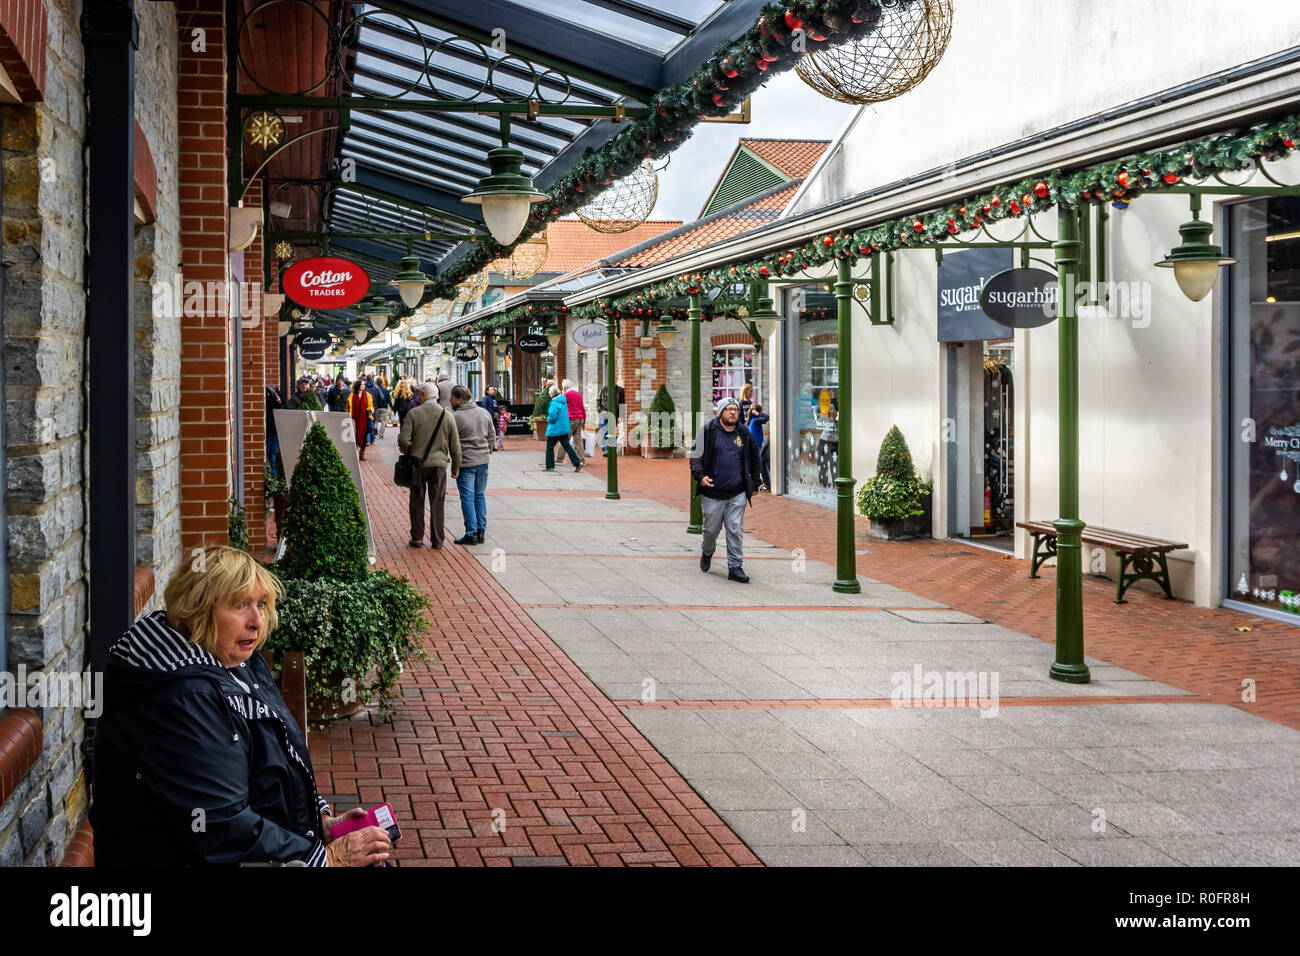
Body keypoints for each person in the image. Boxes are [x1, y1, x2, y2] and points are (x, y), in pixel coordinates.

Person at [91, 546, 392, 866]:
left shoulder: (233, 659)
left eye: (261, 604)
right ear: (198, 609)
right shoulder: (182, 698)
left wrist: (317, 823)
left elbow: (272, 756)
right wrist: (325, 860)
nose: (256, 620)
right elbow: (220, 825)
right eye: (239, 605)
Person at [691, 396, 762, 583]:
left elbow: (755, 458)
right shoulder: (707, 431)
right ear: (720, 412)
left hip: (736, 492)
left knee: (735, 529)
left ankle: (735, 567)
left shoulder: (744, 433)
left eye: (735, 409)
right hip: (713, 492)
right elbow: (696, 456)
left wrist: (756, 482)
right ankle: (707, 552)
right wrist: (700, 476)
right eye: (729, 409)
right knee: (710, 531)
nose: (732, 412)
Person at [399, 382, 461, 548]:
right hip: (439, 465)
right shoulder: (447, 416)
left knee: (417, 501)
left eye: (420, 395)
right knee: (437, 502)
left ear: (424, 396)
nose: (418, 398)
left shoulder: (413, 414)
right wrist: (455, 467)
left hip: (418, 465)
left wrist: (410, 451)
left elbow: (403, 440)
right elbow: (455, 446)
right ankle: (437, 540)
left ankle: (418, 537)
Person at [449, 385, 496, 546]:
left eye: (452, 398)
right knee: (479, 495)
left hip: (466, 462)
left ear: (460, 399)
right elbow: (492, 435)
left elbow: (452, 442)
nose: (450, 400)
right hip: (483, 461)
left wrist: (454, 465)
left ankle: (471, 533)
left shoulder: (456, 417)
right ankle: (481, 530)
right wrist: (487, 450)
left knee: (467, 498)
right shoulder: (484, 413)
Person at [542, 384, 583, 472]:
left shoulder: (554, 403)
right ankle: (577, 463)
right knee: (567, 446)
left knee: (550, 446)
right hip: (564, 428)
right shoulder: (563, 401)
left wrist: (548, 419)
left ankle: (550, 466)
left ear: (551, 394)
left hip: (555, 429)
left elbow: (552, 417)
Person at [596, 380, 624, 456]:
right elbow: (598, 401)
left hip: (614, 414)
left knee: (612, 431)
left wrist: (621, 415)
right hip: (604, 413)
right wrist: (600, 410)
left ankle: (611, 449)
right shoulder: (603, 389)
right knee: (604, 431)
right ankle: (606, 450)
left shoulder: (621, 390)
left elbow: (622, 403)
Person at [747, 403, 771, 491]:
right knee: (762, 464)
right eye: (760, 411)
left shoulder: (749, 422)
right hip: (757, 447)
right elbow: (767, 417)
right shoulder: (756, 421)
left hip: (751, 447)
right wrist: (758, 414)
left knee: (756, 465)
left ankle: (760, 482)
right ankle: (767, 484)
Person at [348, 379, 373, 461]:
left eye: (364, 384)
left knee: (364, 437)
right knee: (353, 437)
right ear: (357, 385)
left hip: (364, 419)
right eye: (361, 384)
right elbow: (348, 407)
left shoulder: (367, 395)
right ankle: (353, 454)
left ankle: (362, 454)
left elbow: (371, 406)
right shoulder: (352, 395)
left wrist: (370, 410)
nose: (363, 386)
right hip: (354, 419)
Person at [562, 379, 587, 460]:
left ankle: (559, 458)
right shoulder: (578, 394)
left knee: (564, 439)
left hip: (571, 419)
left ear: (565, 387)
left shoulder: (566, 395)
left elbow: (561, 407)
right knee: (578, 440)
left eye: (562, 388)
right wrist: (584, 421)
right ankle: (581, 458)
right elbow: (582, 408)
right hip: (580, 418)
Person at [366, 374, 390, 439]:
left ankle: (373, 434)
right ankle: (380, 435)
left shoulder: (364, 387)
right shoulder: (381, 389)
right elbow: (384, 398)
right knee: (382, 421)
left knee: (374, 421)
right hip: (379, 407)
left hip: (367, 407)